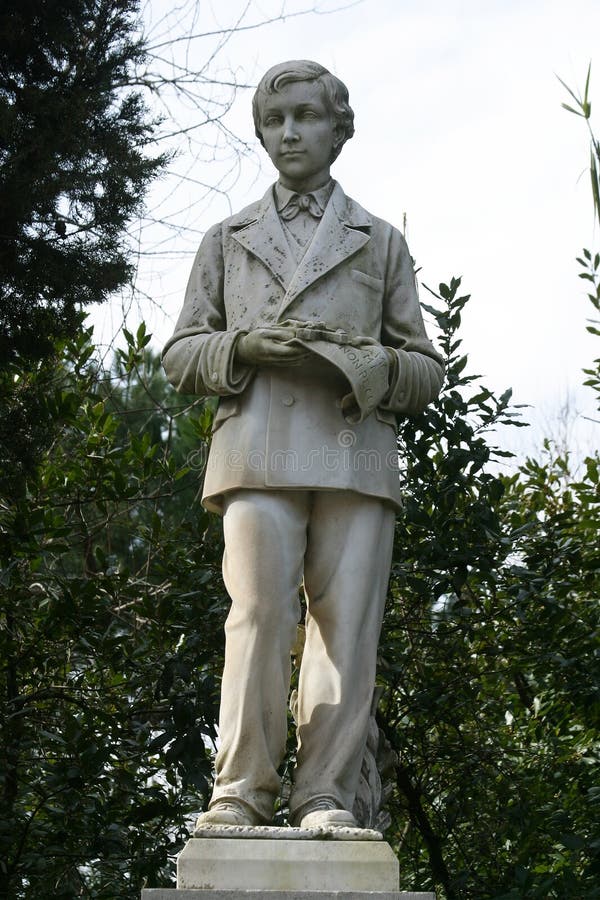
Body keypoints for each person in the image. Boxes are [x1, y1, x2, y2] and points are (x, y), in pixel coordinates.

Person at [162, 60, 443, 831]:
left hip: (353, 453)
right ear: (261, 133)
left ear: (338, 129)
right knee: (254, 614)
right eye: (276, 118)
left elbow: (424, 368)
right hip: (255, 447)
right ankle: (240, 790)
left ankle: (324, 791)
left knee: (345, 625)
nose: (290, 131)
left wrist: (365, 362)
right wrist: (248, 347)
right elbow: (182, 354)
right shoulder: (227, 239)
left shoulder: (379, 241)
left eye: (307, 116)